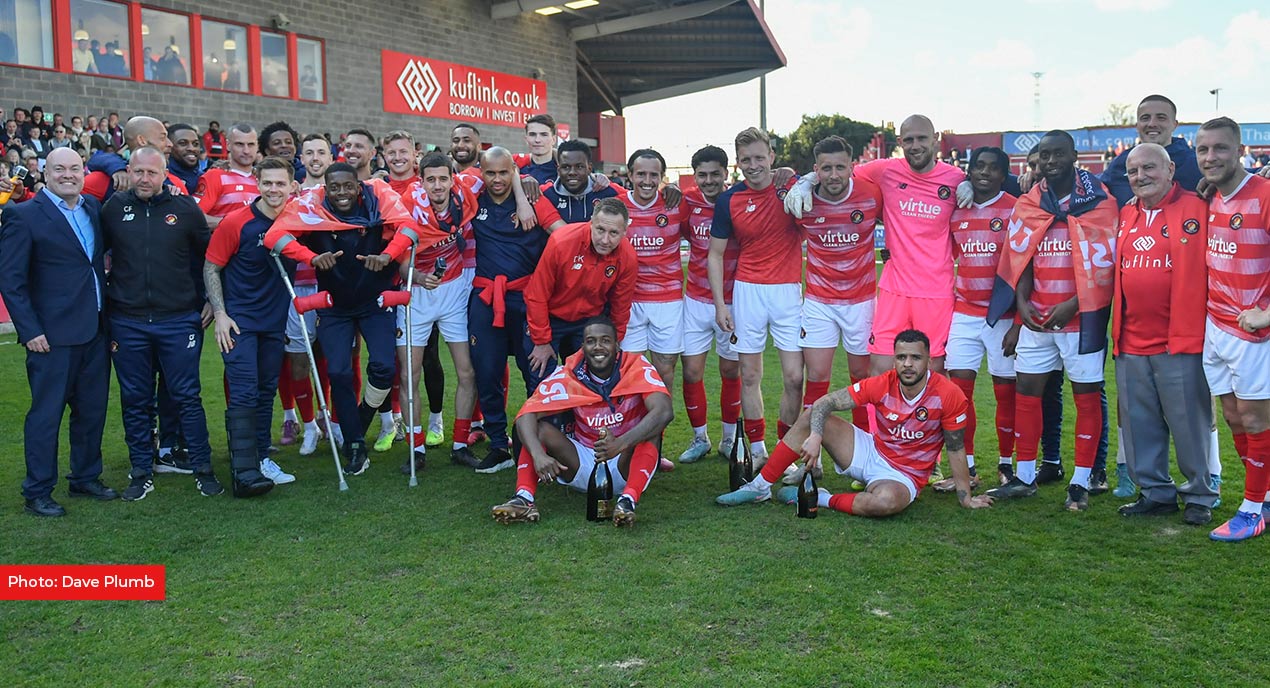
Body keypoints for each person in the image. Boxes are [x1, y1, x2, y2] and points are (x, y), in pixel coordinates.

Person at [265, 162, 441, 476]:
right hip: (335, 305)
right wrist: (311, 257)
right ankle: (356, 445)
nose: (342, 193)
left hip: (375, 300)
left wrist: (387, 256)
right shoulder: (311, 201)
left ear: (358, 186)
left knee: (385, 368)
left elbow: (410, 229)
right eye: (336, 188)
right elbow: (273, 237)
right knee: (339, 373)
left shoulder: (379, 194)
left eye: (348, 186)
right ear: (326, 188)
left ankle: (361, 417)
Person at [717, 329, 993, 515]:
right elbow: (826, 402)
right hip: (871, 451)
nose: (908, 364)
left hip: (904, 475)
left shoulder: (949, 395)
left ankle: (821, 498)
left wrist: (965, 498)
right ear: (894, 359)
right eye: (901, 357)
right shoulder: (883, 383)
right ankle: (759, 488)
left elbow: (956, 448)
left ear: (929, 361)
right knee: (813, 413)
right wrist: (815, 436)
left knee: (885, 503)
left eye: (915, 358)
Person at [985, 130, 1117, 511]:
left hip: (1080, 320)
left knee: (1087, 397)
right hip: (1037, 319)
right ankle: (1024, 476)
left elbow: (1106, 264)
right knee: (1028, 393)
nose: (1052, 160)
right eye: (1045, 155)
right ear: (1037, 160)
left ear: (1075, 155)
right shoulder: (1031, 201)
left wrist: (1074, 304)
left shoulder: (1100, 199)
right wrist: (1022, 302)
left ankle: (1080, 482)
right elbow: (1021, 254)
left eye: (1059, 153)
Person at [101, 147, 221, 500]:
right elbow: (94, 256)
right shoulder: (113, 209)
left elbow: (209, 259)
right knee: (135, 399)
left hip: (178, 319)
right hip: (127, 321)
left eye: (152, 173)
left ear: (165, 174)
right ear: (129, 171)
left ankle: (203, 467)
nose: (144, 179)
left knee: (187, 396)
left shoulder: (185, 210)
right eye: (138, 172)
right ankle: (141, 470)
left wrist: (209, 302)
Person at [0, 148, 115, 516]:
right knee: (46, 415)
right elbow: (11, 279)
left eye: (75, 168)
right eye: (59, 169)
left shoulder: (93, 210)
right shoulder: (23, 215)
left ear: (84, 172)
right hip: (50, 337)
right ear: (44, 172)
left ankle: (85, 477)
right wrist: (30, 330)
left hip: (95, 330)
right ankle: (37, 490)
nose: (68, 175)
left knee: (92, 410)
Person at [1111, 143, 1216, 525]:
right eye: (1134, 171)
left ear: (1171, 168)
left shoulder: (1198, 207)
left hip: (1181, 340)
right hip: (1131, 341)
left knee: (1190, 422)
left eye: (1149, 168)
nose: (1141, 177)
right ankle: (1156, 492)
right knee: (1140, 424)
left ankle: (1200, 494)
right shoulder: (1125, 213)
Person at [491, 317, 674, 526]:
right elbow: (526, 415)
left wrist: (621, 443)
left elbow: (664, 411)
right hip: (584, 459)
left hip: (626, 458)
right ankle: (523, 498)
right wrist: (538, 455)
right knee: (539, 429)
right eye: (591, 341)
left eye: (605, 340)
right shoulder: (569, 372)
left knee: (651, 430)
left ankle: (627, 501)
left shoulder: (636, 366)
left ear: (617, 345)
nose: (598, 347)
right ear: (583, 346)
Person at [204, 156, 299, 497]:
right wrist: (220, 313)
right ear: (258, 183)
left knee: (264, 390)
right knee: (244, 390)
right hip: (239, 322)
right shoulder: (237, 222)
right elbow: (212, 267)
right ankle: (243, 471)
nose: (274, 189)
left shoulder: (296, 219)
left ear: (292, 186)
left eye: (280, 183)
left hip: (274, 323)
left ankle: (259, 459)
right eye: (268, 182)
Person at [709, 127, 803, 467]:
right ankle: (759, 448)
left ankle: (786, 447)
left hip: (788, 292)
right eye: (746, 159)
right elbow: (715, 255)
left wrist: (793, 176)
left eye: (760, 158)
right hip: (747, 292)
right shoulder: (729, 200)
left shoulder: (791, 189)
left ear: (772, 158)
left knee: (794, 377)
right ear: (738, 162)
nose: (753, 165)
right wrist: (721, 304)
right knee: (749, 375)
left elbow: (816, 183)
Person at [1196, 117, 1270, 542]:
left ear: (1240, 150)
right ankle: (1263, 496)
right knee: (1232, 417)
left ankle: (1252, 509)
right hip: (1216, 326)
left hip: (1253, 334)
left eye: (1220, 149)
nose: (1211, 157)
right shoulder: (1211, 198)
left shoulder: (1263, 195)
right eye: (1204, 150)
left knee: (1256, 419)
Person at [467, 147, 562, 473]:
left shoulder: (535, 198)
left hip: (527, 300)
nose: (496, 179)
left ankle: (543, 438)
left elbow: (561, 234)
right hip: (485, 299)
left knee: (538, 372)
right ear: (481, 172)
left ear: (513, 172)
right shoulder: (472, 199)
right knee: (487, 373)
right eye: (490, 173)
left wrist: (524, 191)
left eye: (504, 172)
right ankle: (498, 445)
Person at [936, 147, 1018, 491]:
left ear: (1003, 174)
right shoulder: (957, 210)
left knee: (1007, 395)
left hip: (1002, 316)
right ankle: (966, 466)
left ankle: (1006, 464)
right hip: (964, 315)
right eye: (978, 166)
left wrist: (1019, 321)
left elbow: (1022, 264)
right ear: (968, 171)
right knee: (959, 396)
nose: (984, 173)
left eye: (993, 168)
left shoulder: (1015, 208)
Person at [396, 152, 482, 472]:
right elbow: (401, 259)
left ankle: (460, 445)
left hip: (454, 292)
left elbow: (500, 168)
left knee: (467, 372)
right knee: (410, 375)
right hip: (417, 296)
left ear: (452, 179)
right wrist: (418, 277)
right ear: (422, 181)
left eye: (443, 178)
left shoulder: (464, 193)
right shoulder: (409, 207)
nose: (437, 185)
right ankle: (416, 449)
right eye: (430, 179)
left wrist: (521, 182)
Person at [794, 136, 883, 441]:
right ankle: (811, 450)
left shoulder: (871, 195)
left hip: (861, 301)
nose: (834, 175)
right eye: (826, 168)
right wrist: (795, 183)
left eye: (840, 167)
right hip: (819, 302)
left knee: (861, 376)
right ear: (815, 170)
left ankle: (867, 446)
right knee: (817, 377)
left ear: (851, 168)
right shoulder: (801, 201)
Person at [618, 148, 684, 469]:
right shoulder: (616, 206)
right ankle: (629, 449)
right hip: (628, 302)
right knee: (631, 378)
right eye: (640, 174)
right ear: (629, 175)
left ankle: (654, 453)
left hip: (668, 301)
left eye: (653, 175)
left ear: (662, 177)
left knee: (664, 377)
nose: (647, 181)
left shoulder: (675, 205)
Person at [525, 197, 638, 382]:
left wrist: (614, 341)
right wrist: (541, 341)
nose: (605, 240)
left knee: (589, 382)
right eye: (600, 230)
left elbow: (621, 305)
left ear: (625, 232)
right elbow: (537, 294)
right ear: (591, 223)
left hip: (588, 321)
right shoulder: (562, 242)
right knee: (541, 381)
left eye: (614, 233)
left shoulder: (627, 257)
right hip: (549, 318)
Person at [677, 145, 742, 463]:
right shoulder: (687, 201)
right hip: (696, 300)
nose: (709, 180)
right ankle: (699, 437)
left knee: (731, 369)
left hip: (734, 301)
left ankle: (729, 440)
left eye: (715, 173)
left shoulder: (739, 200)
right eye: (702, 175)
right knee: (691, 371)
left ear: (726, 172)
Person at [1099, 95, 1203, 207]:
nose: (1152, 124)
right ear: (1137, 126)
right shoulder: (1120, 163)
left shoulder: (1197, 164)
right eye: (1145, 118)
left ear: (1174, 125)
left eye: (1161, 118)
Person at [541, 140, 617, 223]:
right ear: (558, 170)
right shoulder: (547, 195)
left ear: (589, 169)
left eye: (579, 167)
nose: (572, 172)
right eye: (566, 167)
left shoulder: (609, 194)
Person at [196, 122, 259, 222]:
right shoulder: (214, 176)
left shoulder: (264, 178)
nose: (246, 151)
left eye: (251, 144)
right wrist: (233, 226)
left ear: (257, 146)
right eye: (240, 144)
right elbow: (195, 216)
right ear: (228, 145)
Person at [516, 114, 558, 184]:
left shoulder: (563, 172)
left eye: (544, 135)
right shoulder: (516, 171)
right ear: (526, 139)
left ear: (553, 139)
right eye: (532, 134)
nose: (537, 140)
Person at [166, 123, 202, 195]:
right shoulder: (161, 180)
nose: (191, 148)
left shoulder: (205, 178)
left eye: (195, 144)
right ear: (169, 146)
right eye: (183, 143)